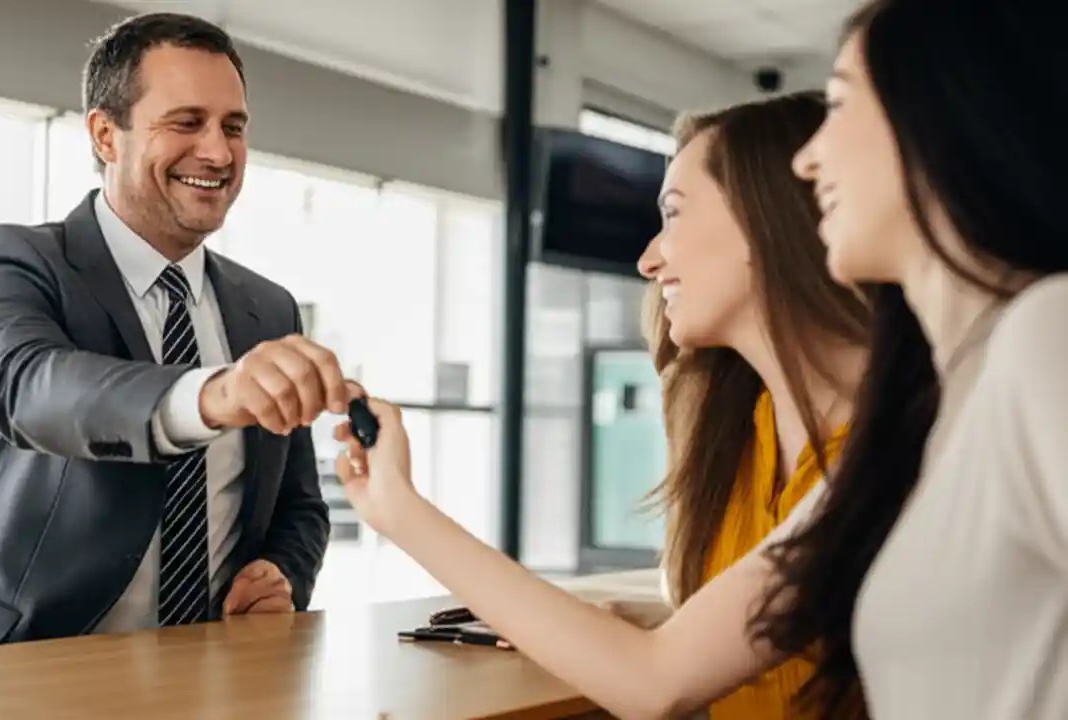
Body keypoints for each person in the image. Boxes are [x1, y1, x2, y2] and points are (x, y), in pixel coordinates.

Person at [332, 0, 1068, 718]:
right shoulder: (913, 428)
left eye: (841, 109)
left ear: (937, 125)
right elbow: (681, 663)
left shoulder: (1040, 339)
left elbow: (658, 684)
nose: (811, 158)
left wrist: (397, 509)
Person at [0, 13, 351, 653]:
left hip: (199, 677)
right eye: (186, 122)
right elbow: (34, 389)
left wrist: (282, 573)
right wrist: (208, 395)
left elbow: (297, 504)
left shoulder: (268, 309)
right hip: (11, 668)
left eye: (234, 127)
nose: (219, 152)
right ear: (106, 134)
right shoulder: (5, 263)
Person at [633, 92, 868, 720]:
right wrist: (668, 621)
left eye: (673, 215)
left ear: (766, 221)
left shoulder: (893, 447)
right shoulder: (723, 425)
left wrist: (396, 502)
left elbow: (656, 685)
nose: (648, 259)